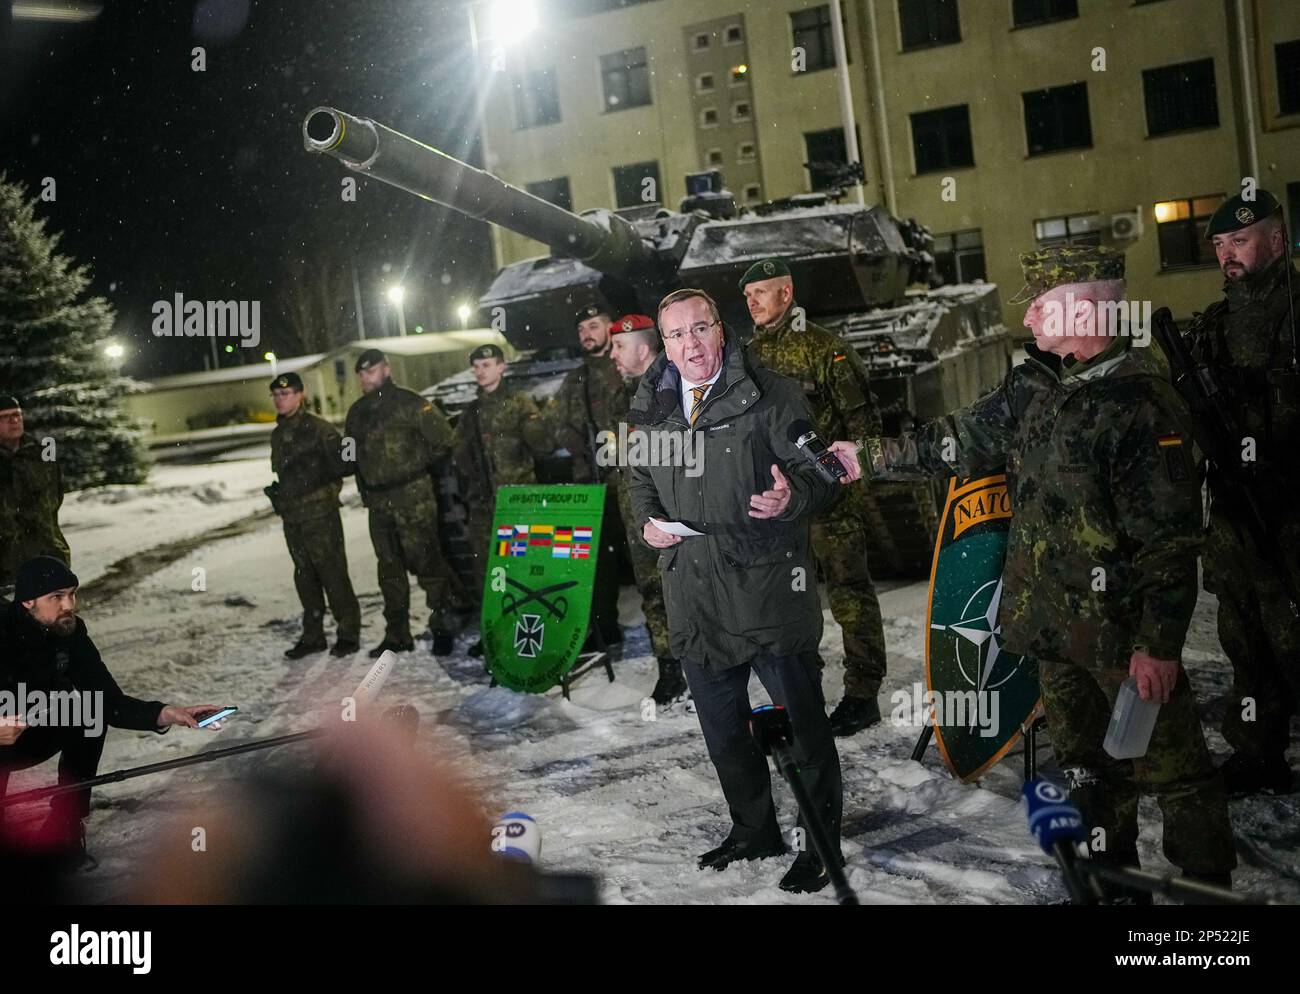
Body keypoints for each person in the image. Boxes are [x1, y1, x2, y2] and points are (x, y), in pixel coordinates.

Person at [867, 245, 1236, 897]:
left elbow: (1169, 542)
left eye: (1040, 304)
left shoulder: (1142, 404)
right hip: (1055, 632)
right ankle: (1111, 880)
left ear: (1085, 309)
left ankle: (1211, 890)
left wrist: (1158, 644)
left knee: (1173, 768)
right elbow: (953, 441)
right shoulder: (1045, 391)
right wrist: (860, 457)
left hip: (1121, 636)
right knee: (1087, 768)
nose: (1029, 317)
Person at [627, 288, 848, 894]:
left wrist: (792, 496)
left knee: (802, 732)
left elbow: (826, 472)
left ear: (720, 330)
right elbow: (640, 477)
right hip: (694, 595)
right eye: (677, 335)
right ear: (664, 344)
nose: (691, 345)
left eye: (700, 329)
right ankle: (754, 831)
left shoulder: (772, 394)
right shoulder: (654, 402)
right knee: (725, 734)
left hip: (766, 589)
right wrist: (647, 523)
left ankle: (821, 845)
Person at [1183, 189, 1299, 797]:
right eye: (1221, 244)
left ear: (1277, 240)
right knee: (1245, 640)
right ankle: (1258, 751)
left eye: (1241, 241)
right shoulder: (1211, 328)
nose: (1228, 253)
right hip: (1233, 513)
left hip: (1291, 512)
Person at [741, 258, 889, 735]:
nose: (752, 302)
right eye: (747, 296)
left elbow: (863, 423)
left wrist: (851, 484)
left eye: (761, 292)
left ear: (786, 293)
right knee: (789, 602)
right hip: (778, 501)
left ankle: (863, 693)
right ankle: (801, 692)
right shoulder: (746, 356)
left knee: (849, 594)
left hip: (830, 497)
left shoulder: (827, 349)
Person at [0, 556, 219, 861]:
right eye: (57, 597)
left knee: (89, 714)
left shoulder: (69, 633)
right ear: (27, 602)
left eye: (72, 594)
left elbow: (107, 701)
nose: (69, 605)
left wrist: (165, 713)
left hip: (27, 732)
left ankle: (65, 824)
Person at [344, 349, 469, 658]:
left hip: (413, 497)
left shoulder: (411, 403)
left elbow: (445, 441)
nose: (365, 378)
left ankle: (443, 624)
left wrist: (417, 467)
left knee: (427, 562)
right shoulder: (356, 413)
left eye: (371, 371)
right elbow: (350, 456)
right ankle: (397, 633)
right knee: (389, 570)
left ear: (386, 369)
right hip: (379, 502)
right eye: (361, 374)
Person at [451, 344, 551, 654]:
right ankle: (494, 632)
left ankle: (528, 632)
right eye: (476, 367)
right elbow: (458, 453)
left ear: (501, 367)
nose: (480, 371)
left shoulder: (520, 404)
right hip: (483, 506)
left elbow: (543, 446)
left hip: (518, 504)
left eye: (486, 365)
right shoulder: (471, 412)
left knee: (522, 571)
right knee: (488, 573)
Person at [607, 314, 684, 705]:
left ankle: (710, 665)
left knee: (692, 588)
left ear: (643, 349)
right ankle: (670, 668)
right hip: (637, 512)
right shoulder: (620, 395)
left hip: (676, 508)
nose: (612, 355)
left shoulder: (676, 385)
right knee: (652, 591)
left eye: (619, 347)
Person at [266, 372, 361, 659]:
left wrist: (322, 485)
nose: (279, 400)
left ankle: (348, 633)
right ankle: (313, 635)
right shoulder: (278, 434)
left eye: (285, 394)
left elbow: (345, 465)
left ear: (300, 395)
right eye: (276, 395)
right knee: (304, 577)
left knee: (333, 574)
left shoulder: (319, 429)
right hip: (293, 518)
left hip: (320, 516)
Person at [547, 304, 626, 647]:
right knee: (597, 562)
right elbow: (555, 422)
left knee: (648, 557)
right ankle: (605, 628)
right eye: (581, 329)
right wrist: (570, 438)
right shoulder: (574, 380)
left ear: (609, 327)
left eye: (593, 326)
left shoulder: (626, 365)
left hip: (631, 479)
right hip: (591, 484)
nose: (587, 334)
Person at [0, 395, 71, 594]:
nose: (14, 421)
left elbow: (55, 498)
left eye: (17, 415)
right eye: (5, 417)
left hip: (48, 556)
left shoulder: (40, 454)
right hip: (6, 568)